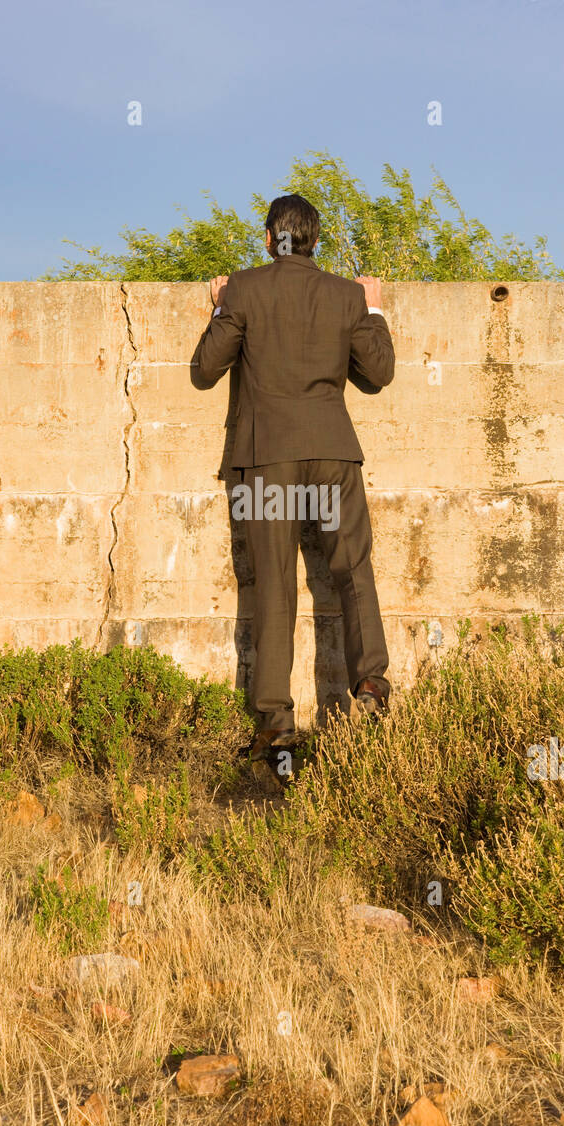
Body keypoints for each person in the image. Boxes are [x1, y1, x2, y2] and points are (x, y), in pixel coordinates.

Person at [191, 193, 394, 760]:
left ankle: (276, 724)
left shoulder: (245, 290)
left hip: (268, 460)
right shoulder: (345, 296)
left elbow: (206, 370)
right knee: (352, 568)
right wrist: (373, 308)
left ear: (268, 239)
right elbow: (378, 374)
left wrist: (219, 307)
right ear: (317, 240)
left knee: (274, 585)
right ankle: (371, 682)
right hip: (332, 453)